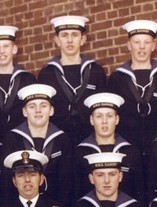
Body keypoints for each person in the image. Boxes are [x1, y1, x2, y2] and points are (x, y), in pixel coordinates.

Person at [107, 20, 157, 152]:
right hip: (127, 145)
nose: (142, 47)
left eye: (147, 42)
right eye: (136, 42)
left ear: (153, 46)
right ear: (128, 45)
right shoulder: (117, 78)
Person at [38, 15, 106, 144]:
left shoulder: (95, 70)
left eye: (75, 35)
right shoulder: (47, 73)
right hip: (58, 140)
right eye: (64, 35)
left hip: (90, 139)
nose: (70, 40)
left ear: (83, 39)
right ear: (57, 40)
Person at [4, 84, 74, 204]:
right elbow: (7, 182)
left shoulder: (62, 139)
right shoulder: (13, 139)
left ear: (51, 110)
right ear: (24, 111)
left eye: (43, 106)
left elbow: (68, 184)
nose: (38, 111)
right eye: (32, 106)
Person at [74, 92, 145, 202]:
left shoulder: (131, 152)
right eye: (99, 116)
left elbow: (139, 191)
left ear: (117, 119)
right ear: (91, 120)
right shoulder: (80, 153)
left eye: (109, 116)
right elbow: (76, 192)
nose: (104, 121)